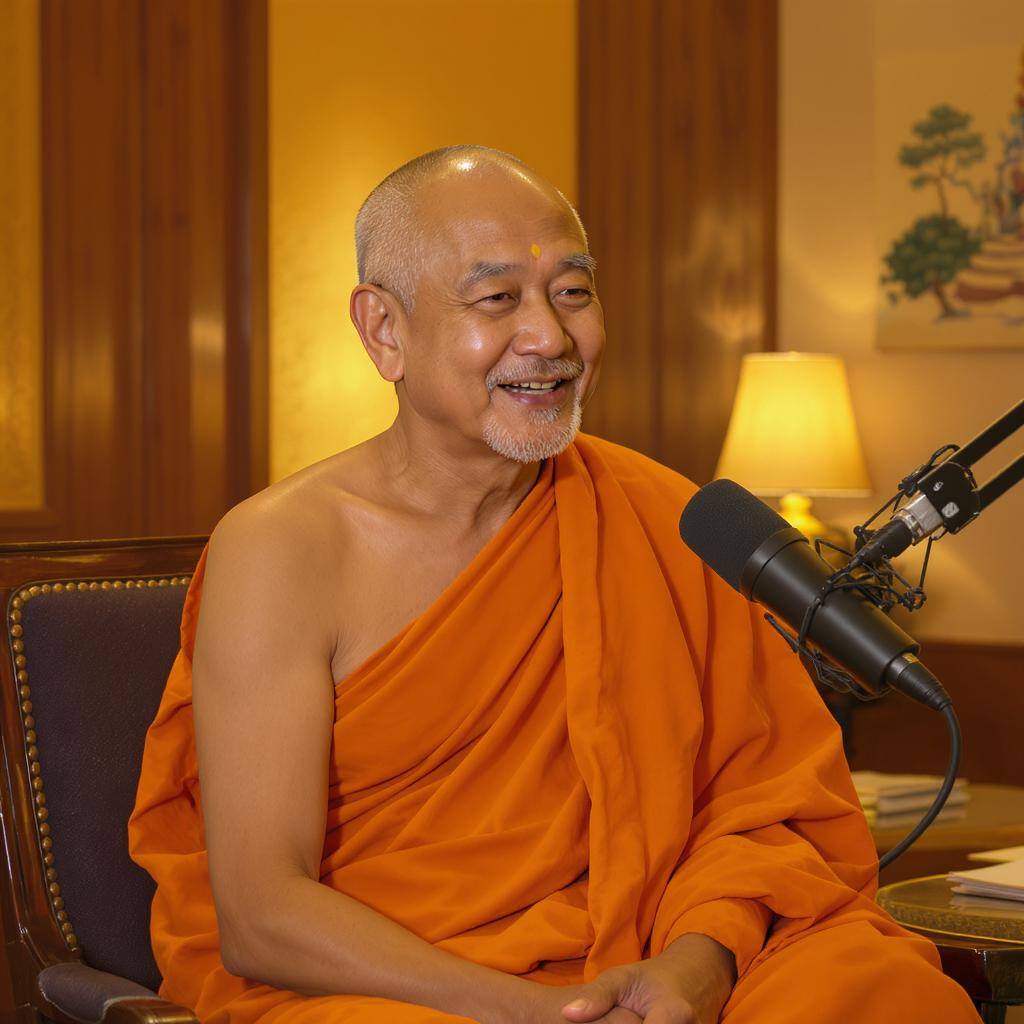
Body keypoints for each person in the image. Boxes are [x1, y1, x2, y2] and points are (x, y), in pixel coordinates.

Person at [129, 146, 978, 1023]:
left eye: (572, 292)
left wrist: (698, 968)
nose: (550, 337)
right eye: (498, 299)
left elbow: (762, 813)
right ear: (384, 330)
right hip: (395, 984)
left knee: (880, 989)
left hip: (652, 956)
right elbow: (263, 916)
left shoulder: (660, 517)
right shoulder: (282, 551)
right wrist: (537, 1013)